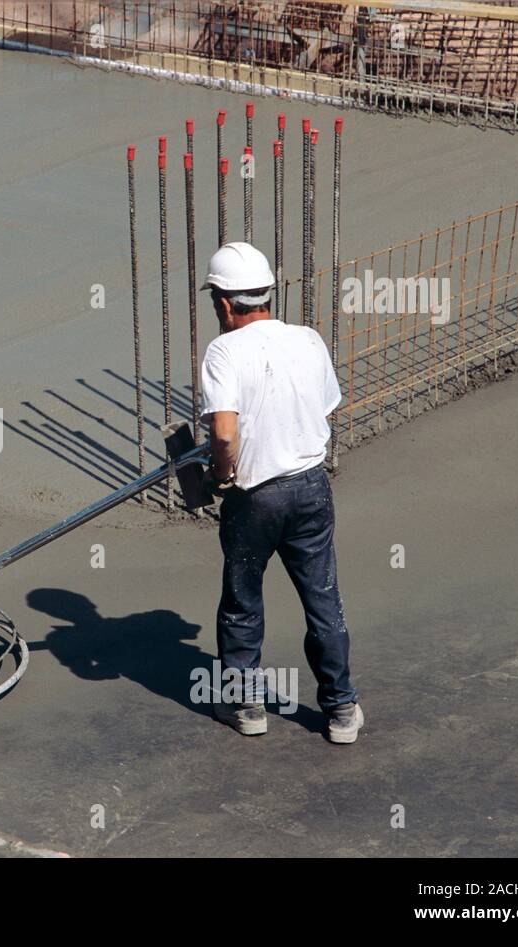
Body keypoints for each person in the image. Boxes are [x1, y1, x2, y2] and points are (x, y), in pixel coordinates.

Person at [197, 242, 363, 744]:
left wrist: (221, 475)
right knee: (323, 598)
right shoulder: (308, 339)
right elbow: (325, 405)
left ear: (225, 303)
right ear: (267, 294)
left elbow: (224, 433)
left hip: (256, 498)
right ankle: (341, 711)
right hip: (312, 488)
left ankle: (248, 707)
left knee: (242, 601)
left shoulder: (224, 351)